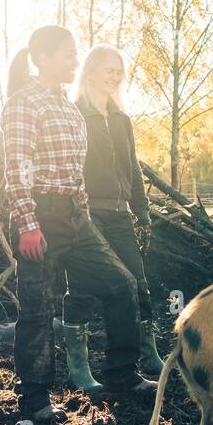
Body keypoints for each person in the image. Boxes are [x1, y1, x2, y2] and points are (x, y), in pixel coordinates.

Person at [1, 26, 144, 423]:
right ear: (43, 59)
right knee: (37, 309)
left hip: (75, 217)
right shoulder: (23, 104)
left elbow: (75, 171)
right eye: (67, 54)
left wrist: (82, 211)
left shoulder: (67, 106)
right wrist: (28, 224)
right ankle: (34, 400)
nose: (74, 61)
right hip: (40, 217)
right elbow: (16, 168)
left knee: (121, 285)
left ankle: (121, 374)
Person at [73, 45, 164, 387]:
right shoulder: (77, 115)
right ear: (90, 71)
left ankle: (146, 353)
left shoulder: (122, 119)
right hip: (86, 212)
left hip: (119, 212)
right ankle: (79, 366)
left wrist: (142, 211)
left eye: (118, 71)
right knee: (81, 288)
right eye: (107, 69)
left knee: (137, 282)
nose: (114, 76)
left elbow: (133, 169)